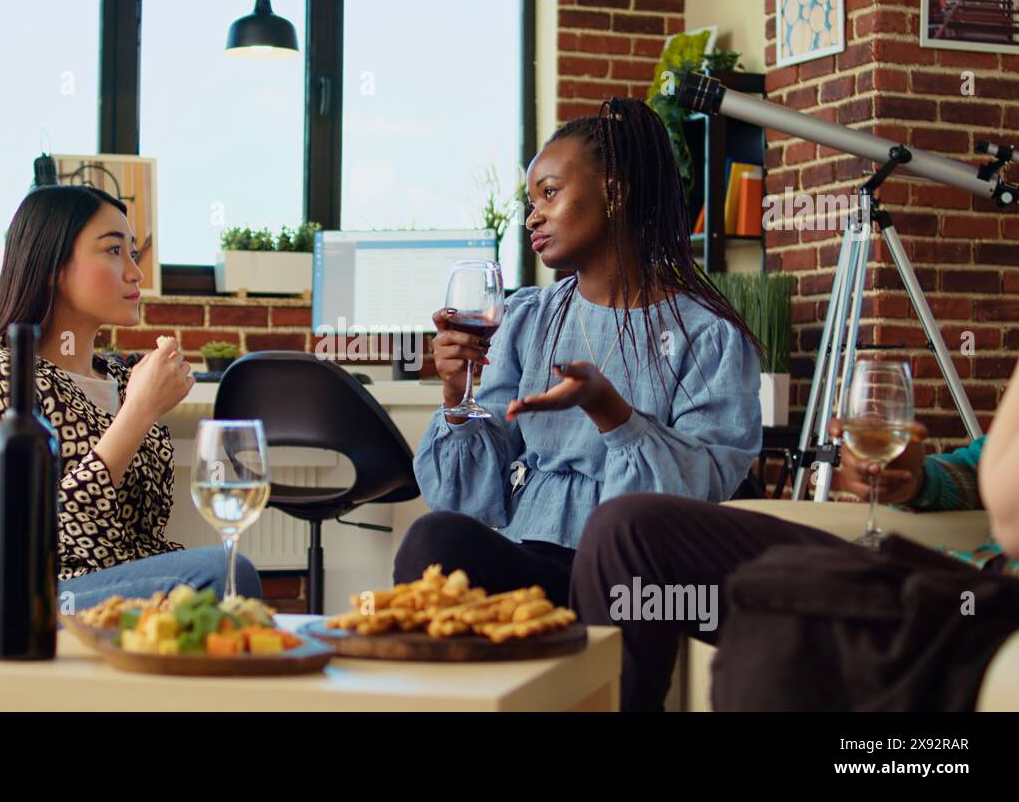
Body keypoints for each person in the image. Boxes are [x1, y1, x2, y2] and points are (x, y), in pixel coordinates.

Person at [393, 97, 764, 608]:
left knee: (629, 580)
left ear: (613, 194)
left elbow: (703, 488)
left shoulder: (707, 335)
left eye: (549, 194)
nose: (532, 218)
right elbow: (466, 498)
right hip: (532, 559)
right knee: (433, 541)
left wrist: (612, 413)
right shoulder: (527, 318)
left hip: (635, 573)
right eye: (531, 201)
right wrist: (459, 396)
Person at [572, 360, 1019, 710]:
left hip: (984, 606)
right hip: (959, 577)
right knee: (629, 531)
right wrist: (917, 480)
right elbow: (982, 468)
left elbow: (1008, 505)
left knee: (784, 632)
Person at [0, 185, 262, 634]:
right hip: (19, 600)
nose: (135, 273)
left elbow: (137, 537)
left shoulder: (121, 380)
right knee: (221, 576)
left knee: (223, 579)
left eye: (134, 253)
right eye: (113, 251)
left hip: (110, 590)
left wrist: (139, 402)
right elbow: (25, 536)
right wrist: (139, 412)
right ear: (51, 267)